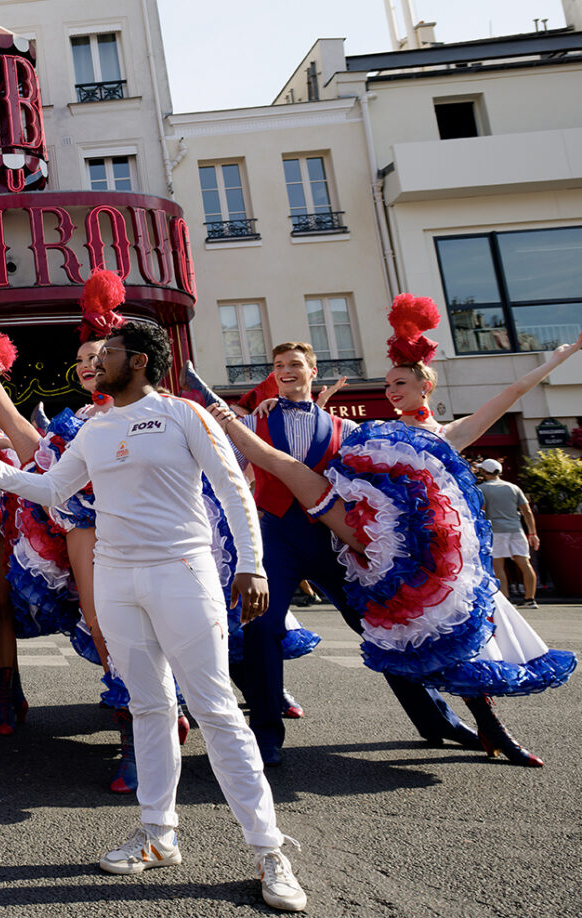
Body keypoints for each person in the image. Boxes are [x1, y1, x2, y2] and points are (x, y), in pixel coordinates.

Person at [0, 321, 307, 913]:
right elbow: (53, 489)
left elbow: (233, 490)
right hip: (115, 578)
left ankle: (268, 850)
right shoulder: (96, 427)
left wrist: (251, 566)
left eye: (110, 353)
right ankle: (158, 834)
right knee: (148, 707)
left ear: (142, 361)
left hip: (183, 571)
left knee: (216, 711)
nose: (97, 362)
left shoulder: (183, 415)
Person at [203, 299, 578, 768]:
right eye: (279, 365)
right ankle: (266, 732)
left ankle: (436, 718)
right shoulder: (255, 418)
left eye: (295, 364)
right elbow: (232, 470)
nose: (286, 370)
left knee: (393, 628)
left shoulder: (347, 428)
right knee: (262, 630)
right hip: (275, 535)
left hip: (335, 541)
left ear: (312, 369)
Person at [476, 459, 541, 608]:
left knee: (498, 565)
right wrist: (532, 533)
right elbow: (527, 512)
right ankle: (530, 599)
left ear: (485, 472)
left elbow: (483, 512)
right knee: (525, 563)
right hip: (516, 529)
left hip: (496, 531)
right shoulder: (513, 487)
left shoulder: (482, 489)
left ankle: (505, 599)